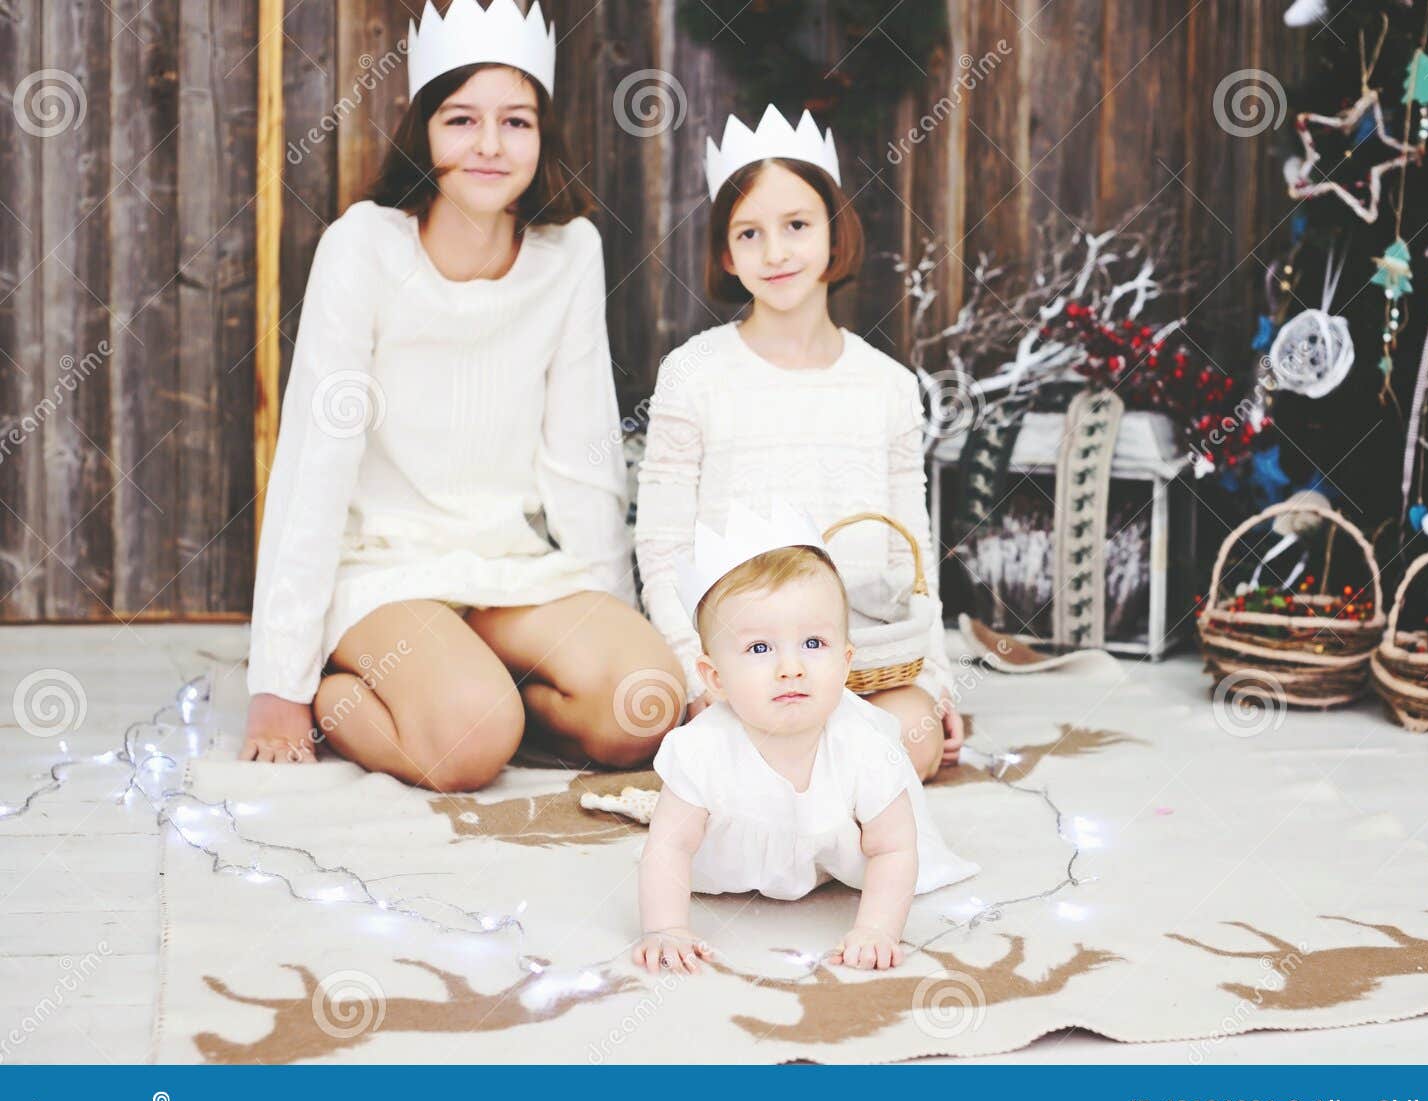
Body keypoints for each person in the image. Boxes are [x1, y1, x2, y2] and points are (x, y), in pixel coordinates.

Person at [240, 0, 681, 788]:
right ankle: (358, 694)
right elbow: (315, 463)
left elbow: (581, 452)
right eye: (461, 120)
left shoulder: (569, 252)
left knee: (643, 705)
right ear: (424, 131)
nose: (489, 145)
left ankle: (487, 690)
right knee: (472, 743)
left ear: (543, 136)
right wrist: (281, 679)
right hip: (387, 568)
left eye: (516, 122)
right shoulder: (363, 247)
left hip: (510, 567)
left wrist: (612, 613)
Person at [634, 106, 962, 783]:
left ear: (835, 232)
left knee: (914, 740)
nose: (776, 253)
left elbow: (910, 553)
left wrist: (935, 677)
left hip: (860, 663)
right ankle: (799, 773)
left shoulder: (888, 385)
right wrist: (694, 671)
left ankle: (814, 773)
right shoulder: (693, 374)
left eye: (797, 226)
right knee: (741, 744)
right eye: (749, 233)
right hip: (739, 668)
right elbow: (663, 549)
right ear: (726, 254)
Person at [632, 502, 978, 974]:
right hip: (730, 866)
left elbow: (894, 847)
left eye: (814, 644)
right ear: (714, 678)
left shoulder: (864, 745)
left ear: (846, 661)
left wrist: (877, 929)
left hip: (835, 858)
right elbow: (669, 848)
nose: (790, 667)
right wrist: (666, 927)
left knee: (894, 828)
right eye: (759, 647)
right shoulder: (702, 750)